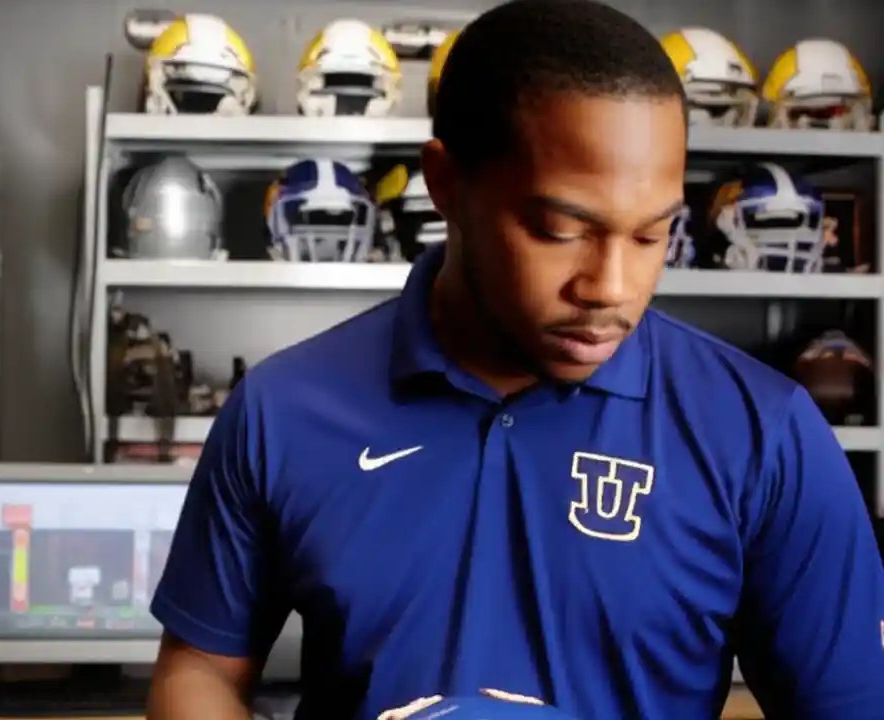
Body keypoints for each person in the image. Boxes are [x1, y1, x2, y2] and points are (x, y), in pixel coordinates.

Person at [146, 0, 884, 718]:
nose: (612, 289)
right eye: (561, 230)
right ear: (447, 186)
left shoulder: (767, 435)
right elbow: (203, 666)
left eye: (650, 235)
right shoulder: (282, 409)